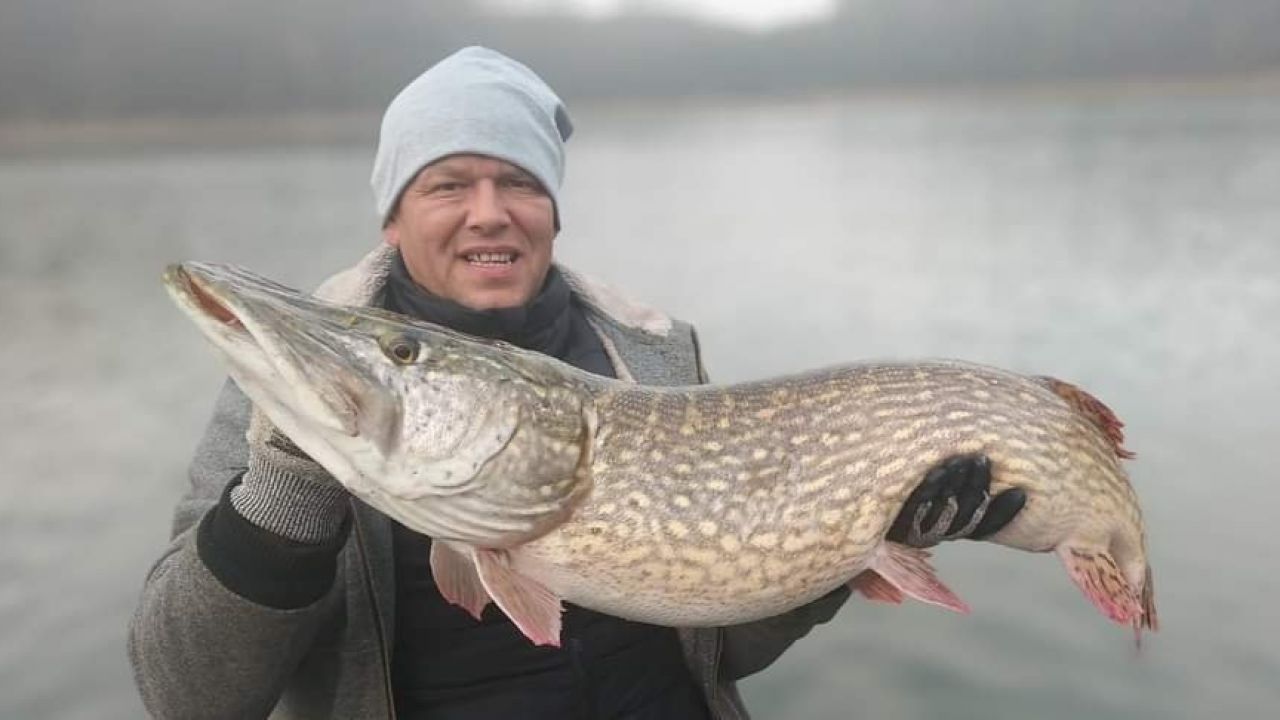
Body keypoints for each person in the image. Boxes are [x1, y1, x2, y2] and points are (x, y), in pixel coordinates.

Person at [128, 47, 1025, 720]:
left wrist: (844, 546)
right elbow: (189, 695)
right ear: (393, 218)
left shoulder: (653, 365)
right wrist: (285, 489)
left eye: (518, 181)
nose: (490, 211)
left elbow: (723, 644)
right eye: (447, 184)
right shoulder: (284, 404)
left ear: (551, 211)